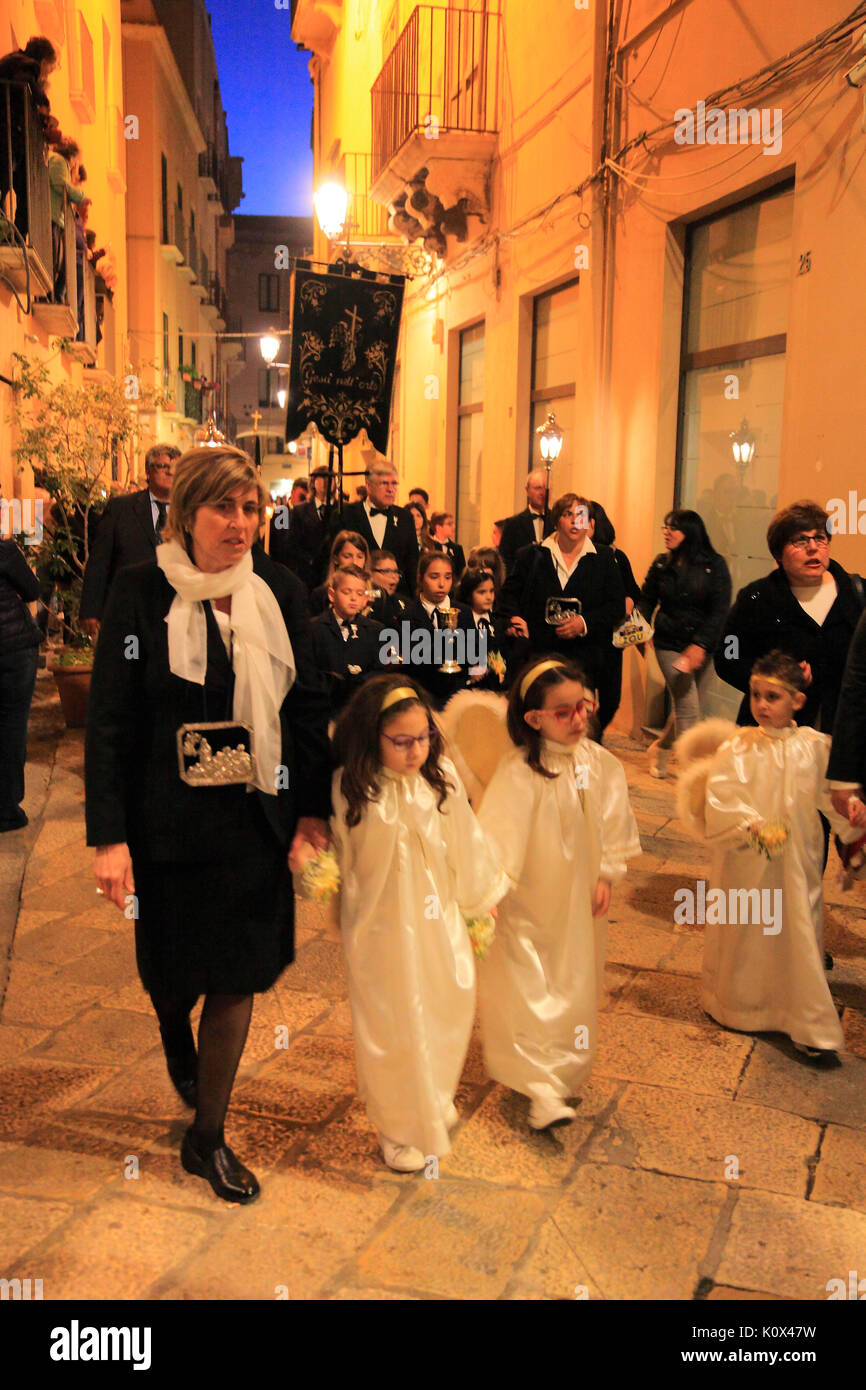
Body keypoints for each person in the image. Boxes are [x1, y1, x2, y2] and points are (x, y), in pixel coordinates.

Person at [85, 445, 331, 1202]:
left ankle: (208, 1137)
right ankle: (170, 1026)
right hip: (168, 822)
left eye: (251, 507)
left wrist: (314, 813)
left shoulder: (281, 590)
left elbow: (309, 708)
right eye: (223, 507)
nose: (240, 523)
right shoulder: (138, 593)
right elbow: (111, 722)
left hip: (256, 815)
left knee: (239, 973)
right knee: (169, 969)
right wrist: (109, 835)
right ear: (187, 513)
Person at [330, 674, 508, 1170]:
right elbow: (344, 856)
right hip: (382, 926)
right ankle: (400, 1126)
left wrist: (478, 902)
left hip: (438, 917)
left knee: (447, 1001)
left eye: (423, 738)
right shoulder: (355, 787)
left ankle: (431, 1096)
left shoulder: (441, 778)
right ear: (372, 739)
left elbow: (465, 840)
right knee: (394, 1019)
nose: (415, 752)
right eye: (401, 742)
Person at [476, 658, 640, 1128]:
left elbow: (611, 820)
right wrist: (490, 891)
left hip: (578, 899)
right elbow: (499, 836)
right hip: (528, 900)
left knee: (573, 981)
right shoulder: (520, 771)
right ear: (534, 719)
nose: (578, 719)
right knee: (529, 981)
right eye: (563, 712)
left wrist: (606, 872)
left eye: (582, 707)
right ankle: (539, 1084)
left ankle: (561, 1070)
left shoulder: (598, 764)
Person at [676, 650, 860, 1059]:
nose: (760, 704)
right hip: (746, 859)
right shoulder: (739, 746)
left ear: (797, 700)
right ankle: (741, 1005)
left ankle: (807, 1022)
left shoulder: (814, 747)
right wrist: (751, 825)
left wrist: (852, 819)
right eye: (756, 694)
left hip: (796, 859)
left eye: (772, 697)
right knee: (748, 929)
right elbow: (721, 794)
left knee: (797, 931)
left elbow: (831, 796)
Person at [714, 500, 864, 734]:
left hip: (844, 735)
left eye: (820, 538)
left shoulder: (858, 593)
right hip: (774, 735)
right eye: (800, 540)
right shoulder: (756, 598)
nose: (813, 548)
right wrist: (775, 682)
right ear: (779, 553)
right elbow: (728, 657)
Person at [500, 493, 626, 735]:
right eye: (568, 514)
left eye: (581, 516)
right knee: (540, 721)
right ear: (557, 520)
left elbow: (616, 606)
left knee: (579, 725)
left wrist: (584, 622)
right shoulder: (532, 555)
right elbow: (509, 596)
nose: (574, 521)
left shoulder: (604, 558)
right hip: (540, 652)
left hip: (585, 657)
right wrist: (515, 619)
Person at [638, 509, 731, 777]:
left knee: (686, 706)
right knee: (688, 705)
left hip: (704, 646)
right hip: (668, 643)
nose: (666, 532)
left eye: (673, 528)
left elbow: (720, 610)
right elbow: (647, 599)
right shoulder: (661, 565)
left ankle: (662, 749)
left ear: (689, 533)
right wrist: (639, 628)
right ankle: (694, 772)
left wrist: (701, 645)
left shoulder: (715, 565)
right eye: (665, 527)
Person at [79, 445, 181, 635]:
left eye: (175, 468)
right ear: (148, 471)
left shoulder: (188, 511)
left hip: (177, 610)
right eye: (163, 466)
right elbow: (99, 561)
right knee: (131, 657)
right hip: (130, 612)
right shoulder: (121, 509)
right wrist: (90, 610)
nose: (170, 472)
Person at [0, 537, 42, 831]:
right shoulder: (4, 550)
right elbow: (32, 589)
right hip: (12, 649)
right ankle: (6, 808)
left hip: (12, 650)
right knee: (12, 727)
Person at [329, 463, 419, 597]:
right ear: (368, 485)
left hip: (396, 601)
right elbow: (332, 557)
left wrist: (411, 606)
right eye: (384, 483)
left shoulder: (405, 518)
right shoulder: (345, 515)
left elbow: (412, 564)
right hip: (355, 597)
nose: (391, 489)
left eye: (394, 483)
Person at [400, 551, 475, 708]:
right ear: (420, 578)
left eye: (447, 577)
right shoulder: (408, 616)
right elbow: (411, 663)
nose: (442, 584)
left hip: (458, 695)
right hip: (423, 696)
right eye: (434, 577)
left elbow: (471, 652)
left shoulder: (464, 612)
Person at [310, 565, 385, 714]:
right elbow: (310, 672)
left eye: (359, 593)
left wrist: (360, 683)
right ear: (332, 595)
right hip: (325, 709)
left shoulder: (376, 630)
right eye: (346, 592)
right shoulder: (314, 629)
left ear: (365, 599)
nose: (353, 598)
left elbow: (380, 671)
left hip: (362, 709)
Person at [270, 465, 331, 590]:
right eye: (301, 497)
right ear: (292, 493)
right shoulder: (282, 512)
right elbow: (279, 544)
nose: (304, 500)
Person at [47, 139, 89, 303]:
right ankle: (49, 293)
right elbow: (61, 185)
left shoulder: (57, 161)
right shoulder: (59, 162)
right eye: (77, 161)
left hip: (55, 217)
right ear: (72, 157)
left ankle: (50, 293)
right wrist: (82, 197)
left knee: (56, 259)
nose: (75, 165)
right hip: (53, 216)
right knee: (53, 259)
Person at [457, 567, 508, 692]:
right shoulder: (460, 621)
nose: (489, 597)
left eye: (491, 591)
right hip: (467, 687)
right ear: (469, 594)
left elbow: (500, 653)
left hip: (494, 686)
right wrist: (470, 671)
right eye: (482, 592)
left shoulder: (496, 622)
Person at [498, 471, 553, 573]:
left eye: (546, 489)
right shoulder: (513, 524)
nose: (542, 493)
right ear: (527, 490)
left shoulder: (557, 522)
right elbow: (504, 559)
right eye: (537, 488)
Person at [308, 530, 370, 615]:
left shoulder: (377, 594)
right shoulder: (320, 595)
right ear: (336, 559)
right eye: (347, 556)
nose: (354, 562)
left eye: (360, 557)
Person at [428, 511, 466, 582]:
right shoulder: (428, 546)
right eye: (449, 524)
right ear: (438, 527)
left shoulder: (457, 548)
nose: (453, 526)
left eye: (453, 523)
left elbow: (461, 573)